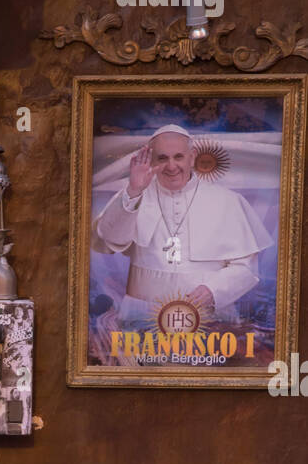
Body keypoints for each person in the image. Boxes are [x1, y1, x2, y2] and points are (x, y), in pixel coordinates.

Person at [91, 124, 273, 323]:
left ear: (192, 156)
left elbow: (246, 268)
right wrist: (134, 191)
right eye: (162, 158)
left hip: (208, 315)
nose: (171, 166)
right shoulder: (132, 194)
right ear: (151, 159)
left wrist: (213, 291)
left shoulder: (228, 201)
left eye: (178, 157)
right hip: (142, 313)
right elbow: (110, 239)